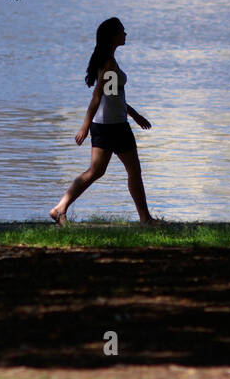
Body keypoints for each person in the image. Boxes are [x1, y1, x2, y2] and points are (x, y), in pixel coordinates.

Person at [49, 17, 157, 225]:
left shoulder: (109, 60)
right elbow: (97, 97)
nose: (125, 34)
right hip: (113, 126)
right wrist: (84, 126)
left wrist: (134, 115)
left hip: (108, 124)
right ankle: (145, 219)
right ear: (113, 36)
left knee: (96, 171)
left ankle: (60, 208)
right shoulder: (108, 63)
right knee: (133, 170)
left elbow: (113, 96)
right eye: (122, 31)